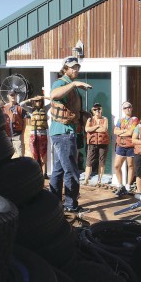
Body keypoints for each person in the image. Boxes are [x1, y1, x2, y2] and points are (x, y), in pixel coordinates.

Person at [49, 56, 92, 213]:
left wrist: (83, 113)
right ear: (65, 69)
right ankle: (70, 205)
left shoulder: (69, 86)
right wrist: (74, 83)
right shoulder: (61, 82)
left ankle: (53, 202)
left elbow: (68, 108)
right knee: (72, 171)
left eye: (77, 67)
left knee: (59, 170)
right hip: (64, 134)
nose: (76, 70)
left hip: (63, 133)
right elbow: (54, 95)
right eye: (73, 67)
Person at [20, 95, 50, 178]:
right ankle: (37, 172)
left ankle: (44, 173)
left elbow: (53, 101)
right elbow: (21, 104)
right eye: (36, 101)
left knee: (43, 154)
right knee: (34, 154)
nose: (38, 102)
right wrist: (31, 99)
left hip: (42, 134)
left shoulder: (45, 108)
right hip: (33, 135)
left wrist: (44, 97)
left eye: (39, 101)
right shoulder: (31, 109)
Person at [113, 102, 139, 195]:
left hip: (130, 146)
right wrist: (124, 131)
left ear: (131, 108)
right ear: (123, 110)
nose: (127, 109)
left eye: (129, 107)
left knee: (131, 166)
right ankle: (120, 185)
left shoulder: (135, 119)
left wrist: (121, 132)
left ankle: (128, 185)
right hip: (121, 145)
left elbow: (131, 132)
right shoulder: (120, 120)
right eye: (125, 108)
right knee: (116, 166)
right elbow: (115, 131)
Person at [83, 103, 110, 185]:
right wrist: (97, 126)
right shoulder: (90, 119)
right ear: (92, 111)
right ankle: (86, 179)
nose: (97, 111)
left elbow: (104, 129)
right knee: (89, 162)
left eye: (98, 109)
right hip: (92, 143)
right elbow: (87, 129)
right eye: (95, 109)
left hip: (103, 143)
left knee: (101, 162)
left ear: (101, 109)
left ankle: (99, 180)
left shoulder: (105, 119)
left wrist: (93, 129)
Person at [2, 89, 28, 158]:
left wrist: (22, 134)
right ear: (8, 96)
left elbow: (25, 122)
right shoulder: (4, 108)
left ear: (16, 96)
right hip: (7, 136)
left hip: (17, 136)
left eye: (14, 94)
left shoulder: (20, 107)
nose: (13, 96)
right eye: (11, 95)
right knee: (7, 157)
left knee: (20, 156)